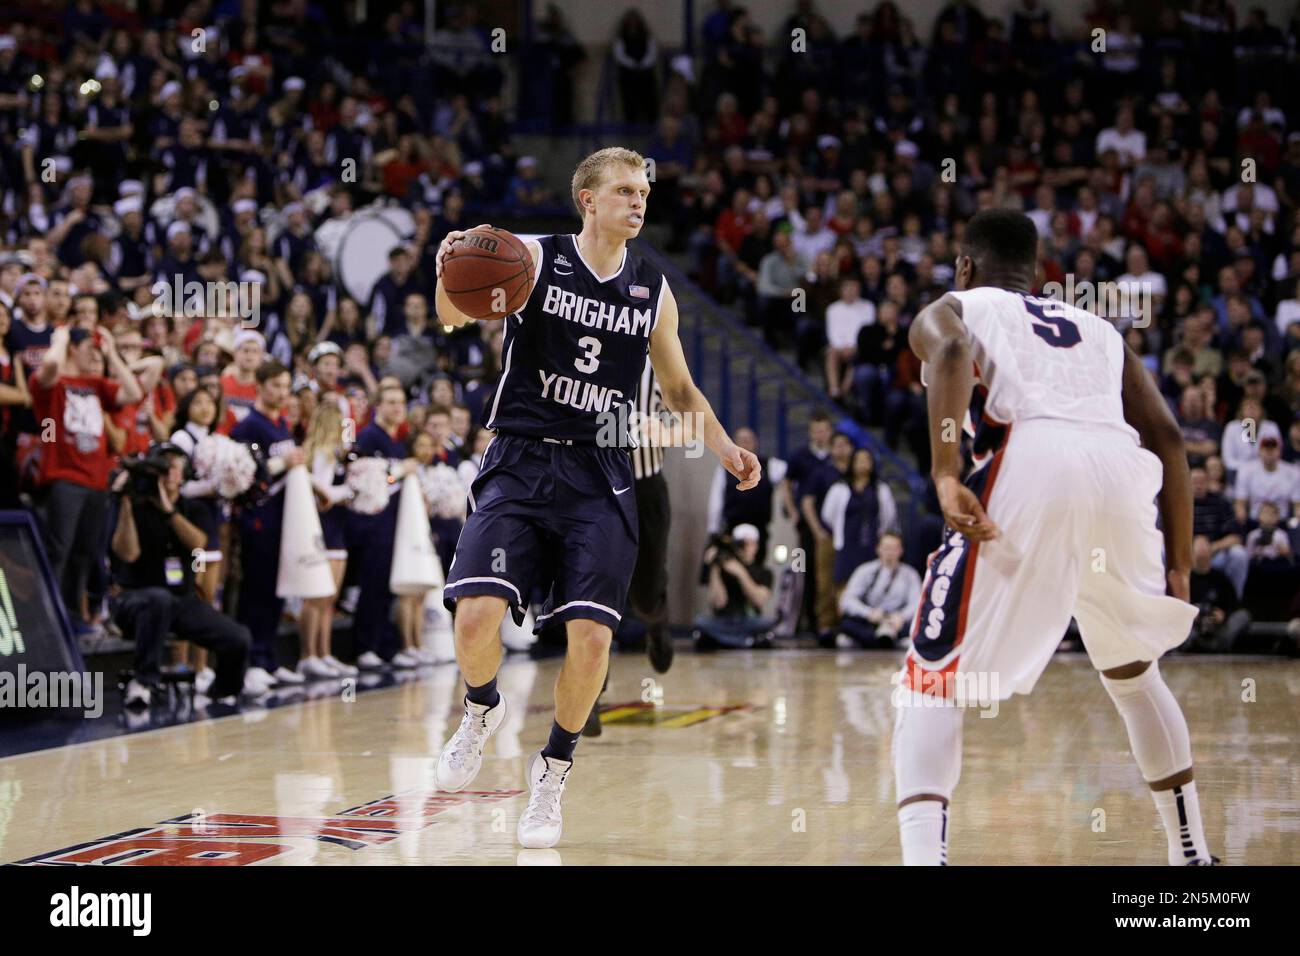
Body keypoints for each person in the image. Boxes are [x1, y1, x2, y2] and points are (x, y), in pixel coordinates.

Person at [433, 145, 761, 848]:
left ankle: (551, 772)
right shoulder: (528, 258)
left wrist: (725, 446)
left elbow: (678, 391)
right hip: (519, 458)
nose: (638, 201)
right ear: (587, 198)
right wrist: (444, 268)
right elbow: (452, 315)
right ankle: (480, 708)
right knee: (474, 618)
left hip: (600, 471)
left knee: (591, 642)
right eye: (623, 190)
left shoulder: (652, 289)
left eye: (643, 191)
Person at [896, 208, 1216, 866]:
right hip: (1120, 477)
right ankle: (1192, 859)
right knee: (1133, 675)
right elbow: (1171, 438)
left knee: (933, 680)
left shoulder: (956, 303)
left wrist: (945, 470)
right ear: (1039, 275)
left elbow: (951, 350)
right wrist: (1180, 562)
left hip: (1030, 462)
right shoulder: (1098, 329)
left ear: (965, 265)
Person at [110, 441, 250, 708]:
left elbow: (198, 543)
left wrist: (169, 511)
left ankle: (224, 691)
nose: (170, 473)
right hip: (134, 599)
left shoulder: (192, 509)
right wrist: (126, 505)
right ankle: (144, 682)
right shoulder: (136, 506)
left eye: (175, 467)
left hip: (181, 600)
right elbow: (127, 554)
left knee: (238, 637)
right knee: (157, 599)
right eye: (163, 467)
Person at [30, 325, 143, 633]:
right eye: (87, 349)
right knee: (59, 550)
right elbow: (50, 366)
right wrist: (60, 339)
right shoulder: (52, 384)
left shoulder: (95, 384)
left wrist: (111, 354)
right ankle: (45, 619)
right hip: (64, 477)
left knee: (84, 553)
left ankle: (71, 617)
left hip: (96, 480)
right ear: (71, 349)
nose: (93, 355)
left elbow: (133, 392)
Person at [229, 360, 306, 693]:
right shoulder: (248, 426)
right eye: (275, 386)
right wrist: (280, 463)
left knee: (277, 590)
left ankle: (269, 655)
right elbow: (243, 474)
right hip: (258, 518)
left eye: (285, 386)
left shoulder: (282, 424)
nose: (281, 392)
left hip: (284, 518)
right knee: (256, 590)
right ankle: (252, 662)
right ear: (258, 386)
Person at [349, 382, 418, 669]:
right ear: (378, 406)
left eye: (400, 402)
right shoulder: (368, 438)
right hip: (371, 524)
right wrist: (400, 471)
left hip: (393, 524)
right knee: (372, 584)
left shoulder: (399, 442)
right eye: (390, 402)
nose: (397, 408)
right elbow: (367, 481)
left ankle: (386, 645)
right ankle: (364, 646)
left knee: (388, 586)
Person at [299, 400, 357, 678]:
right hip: (322, 528)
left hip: (336, 528)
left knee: (328, 598)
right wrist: (349, 489)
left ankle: (325, 652)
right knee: (316, 596)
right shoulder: (323, 453)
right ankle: (308, 654)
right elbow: (322, 491)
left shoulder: (337, 453)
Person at [820, 446, 898, 589]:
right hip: (848, 542)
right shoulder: (840, 488)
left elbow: (889, 516)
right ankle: (844, 610)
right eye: (858, 460)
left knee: (871, 583)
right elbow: (828, 514)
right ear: (852, 463)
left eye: (866, 460)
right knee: (843, 582)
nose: (862, 464)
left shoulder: (881, 488)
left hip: (872, 543)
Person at [694, 523, 774, 648]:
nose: (746, 548)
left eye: (750, 543)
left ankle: (724, 640)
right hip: (724, 620)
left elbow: (759, 600)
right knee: (700, 622)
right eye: (742, 544)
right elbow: (719, 603)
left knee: (767, 624)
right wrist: (714, 568)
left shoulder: (764, 572)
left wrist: (741, 573)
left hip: (749, 620)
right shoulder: (723, 569)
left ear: (757, 546)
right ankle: (745, 641)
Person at [836, 531, 921, 648]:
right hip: (870, 621)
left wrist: (902, 616)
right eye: (886, 548)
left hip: (897, 623)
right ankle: (881, 641)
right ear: (878, 549)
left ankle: (882, 641)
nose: (889, 553)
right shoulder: (865, 570)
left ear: (901, 550)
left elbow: (917, 603)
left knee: (916, 631)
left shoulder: (910, 574)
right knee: (847, 626)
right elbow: (847, 600)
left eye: (894, 548)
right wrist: (868, 613)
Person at [1186, 535, 1250, 653]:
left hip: (1218, 627)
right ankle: (1191, 644)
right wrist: (1192, 614)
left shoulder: (1221, 579)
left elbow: (1234, 605)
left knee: (1242, 616)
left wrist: (1223, 615)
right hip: (1191, 626)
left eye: (1204, 557)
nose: (1202, 559)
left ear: (1210, 556)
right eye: (1199, 557)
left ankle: (1219, 646)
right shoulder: (1185, 579)